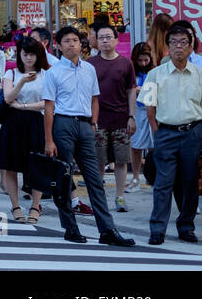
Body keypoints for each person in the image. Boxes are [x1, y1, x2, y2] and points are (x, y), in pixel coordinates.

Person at [42, 25, 136, 247]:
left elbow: (95, 98)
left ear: (81, 44)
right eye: (67, 41)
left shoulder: (89, 69)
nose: (72, 44)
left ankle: (108, 230)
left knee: (95, 179)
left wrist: (93, 123)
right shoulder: (53, 72)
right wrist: (49, 139)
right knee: (65, 178)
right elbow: (48, 107)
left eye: (75, 40)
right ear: (59, 45)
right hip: (62, 123)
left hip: (86, 125)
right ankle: (70, 228)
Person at [143, 21, 202, 245]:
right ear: (167, 46)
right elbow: (150, 107)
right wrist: (157, 134)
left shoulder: (199, 74)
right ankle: (157, 229)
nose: (179, 46)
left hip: (193, 133)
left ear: (191, 46)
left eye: (183, 42)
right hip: (165, 133)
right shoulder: (155, 74)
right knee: (163, 183)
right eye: (174, 42)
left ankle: (186, 226)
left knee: (189, 183)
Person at [0, 36, 49, 224]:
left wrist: (24, 107)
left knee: (37, 166)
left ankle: (35, 206)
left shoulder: (46, 74)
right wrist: (22, 82)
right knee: (11, 167)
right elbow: (8, 98)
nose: (29, 58)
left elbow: (49, 102)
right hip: (13, 124)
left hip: (37, 123)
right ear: (19, 54)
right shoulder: (11, 74)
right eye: (25, 54)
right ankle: (15, 205)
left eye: (32, 55)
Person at [90, 22, 135, 213]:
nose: (105, 41)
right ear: (96, 42)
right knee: (98, 160)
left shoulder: (126, 63)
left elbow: (131, 91)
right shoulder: (89, 64)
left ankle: (120, 196)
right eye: (101, 38)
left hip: (120, 119)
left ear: (116, 39)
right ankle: (99, 197)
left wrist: (132, 116)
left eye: (109, 37)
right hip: (98, 120)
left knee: (121, 160)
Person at [129, 42, 155, 192]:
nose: (143, 63)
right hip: (137, 111)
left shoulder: (155, 71)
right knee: (136, 146)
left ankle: (153, 177)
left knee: (153, 147)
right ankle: (135, 177)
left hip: (152, 111)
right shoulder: (131, 71)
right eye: (140, 60)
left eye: (146, 60)